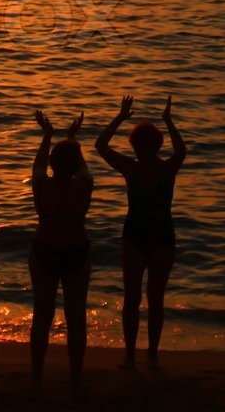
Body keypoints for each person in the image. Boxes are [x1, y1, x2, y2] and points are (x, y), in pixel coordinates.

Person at [94, 95, 186, 371]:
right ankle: (132, 354)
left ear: (153, 145)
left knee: (154, 298)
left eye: (145, 144)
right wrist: (120, 117)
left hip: (160, 238)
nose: (141, 149)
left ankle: (151, 354)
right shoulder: (133, 168)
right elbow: (101, 146)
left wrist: (169, 121)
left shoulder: (165, 168)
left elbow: (181, 151)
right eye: (139, 144)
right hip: (135, 236)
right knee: (133, 297)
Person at [30, 109, 93, 390]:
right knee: (76, 317)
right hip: (76, 250)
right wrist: (71, 138)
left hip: (45, 250)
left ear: (54, 164)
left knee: (42, 315)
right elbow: (81, 166)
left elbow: (38, 163)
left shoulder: (42, 186)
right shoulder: (84, 186)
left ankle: (36, 375)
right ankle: (76, 376)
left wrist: (48, 135)